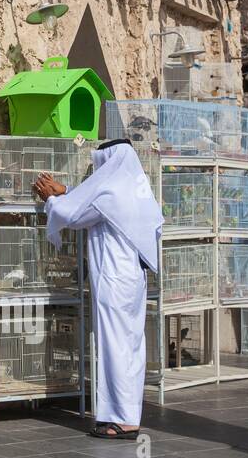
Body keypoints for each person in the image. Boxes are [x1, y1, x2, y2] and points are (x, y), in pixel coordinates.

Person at [33, 138, 163, 439]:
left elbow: (75, 216)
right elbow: (93, 203)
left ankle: (121, 419)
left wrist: (51, 200)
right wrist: (65, 191)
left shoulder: (111, 191)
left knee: (114, 346)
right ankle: (129, 413)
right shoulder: (135, 189)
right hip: (132, 279)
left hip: (114, 279)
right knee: (130, 346)